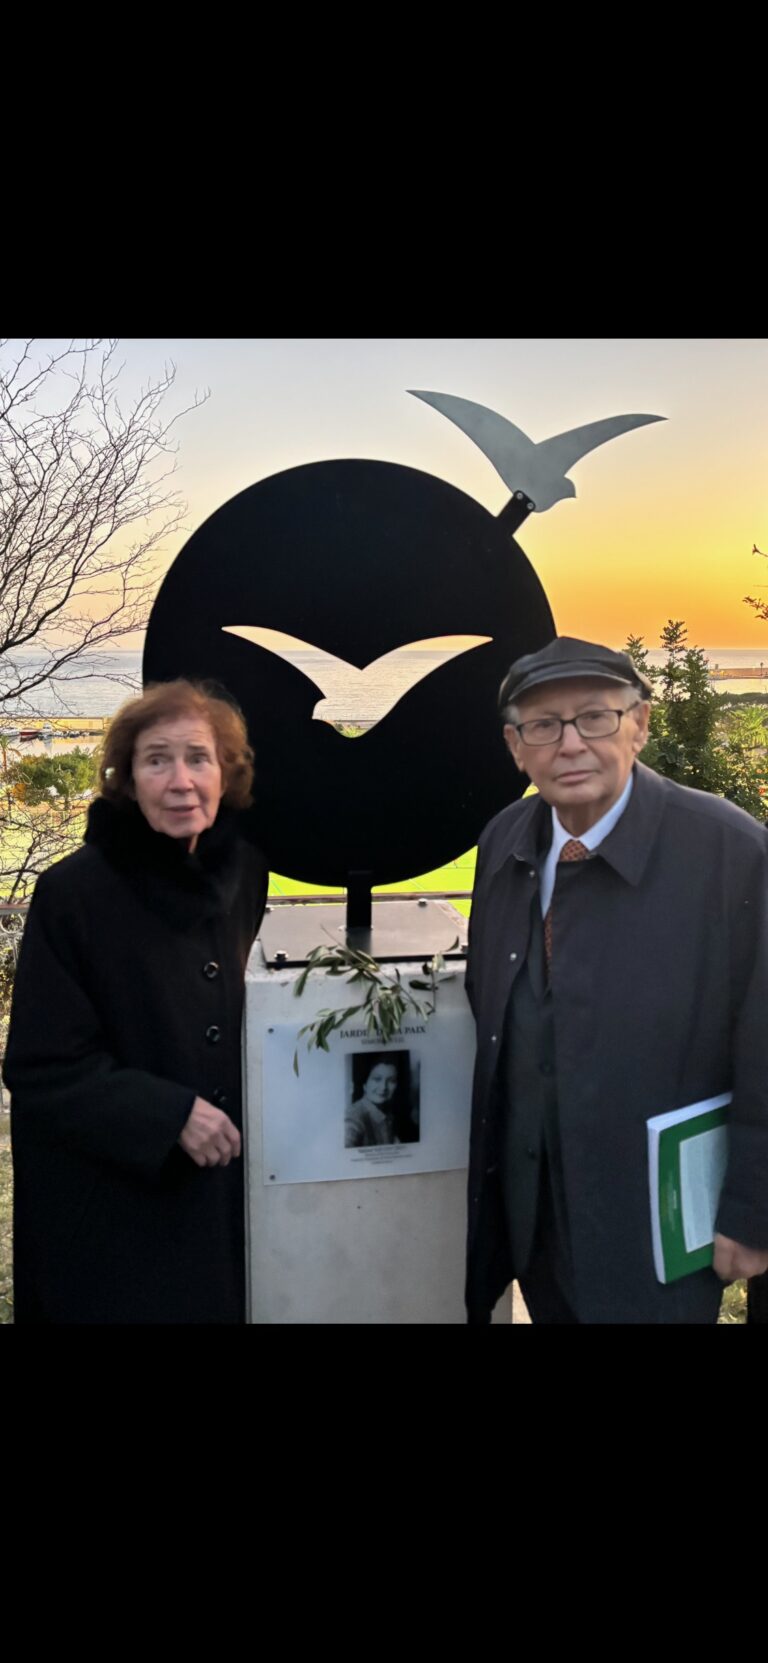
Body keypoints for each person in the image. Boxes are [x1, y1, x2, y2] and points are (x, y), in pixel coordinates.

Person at [464, 635, 768, 1323]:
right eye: (543, 725)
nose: (569, 744)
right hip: (533, 1213)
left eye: (594, 716)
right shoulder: (503, 841)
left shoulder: (729, 852)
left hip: (656, 1226)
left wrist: (754, 1209)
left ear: (640, 724)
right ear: (517, 747)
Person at [4, 680, 268, 1324]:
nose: (181, 781)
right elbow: (41, 1067)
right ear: (126, 779)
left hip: (216, 1202)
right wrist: (170, 1114)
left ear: (226, 773)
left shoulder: (244, 873)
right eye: (158, 759)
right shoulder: (73, 894)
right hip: (112, 1214)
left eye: (198, 758)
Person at [345, 1054, 416, 1147]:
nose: (383, 1087)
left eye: (391, 1081)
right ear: (364, 1083)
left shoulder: (388, 1113)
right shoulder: (354, 1117)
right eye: (377, 1079)